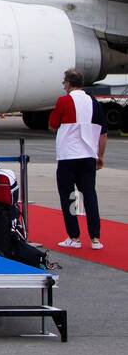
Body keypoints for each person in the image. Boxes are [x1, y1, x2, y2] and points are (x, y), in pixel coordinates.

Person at [49, 69, 106, 250]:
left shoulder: (64, 101)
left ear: (68, 83)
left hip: (68, 156)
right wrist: (100, 155)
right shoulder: (93, 102)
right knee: (89, 195)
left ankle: (74, 237)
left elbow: (52, 125)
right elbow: (103, 133)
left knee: (68, 197)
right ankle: (95, 238)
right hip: (88, 155)